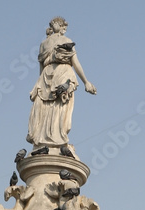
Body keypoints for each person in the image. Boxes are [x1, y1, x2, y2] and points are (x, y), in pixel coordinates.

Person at [27, 16, 96, 152]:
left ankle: (58, 139)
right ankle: (42, 140)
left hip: (63, 74)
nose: (56, 25)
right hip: (46, 77)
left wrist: (86, 82)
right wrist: (39, 83)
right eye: (55, 23)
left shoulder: (67, 41)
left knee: (60, 109)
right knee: (43, 109)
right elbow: (41, 68)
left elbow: (75, 63)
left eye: (58, 23)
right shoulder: (44, 44)